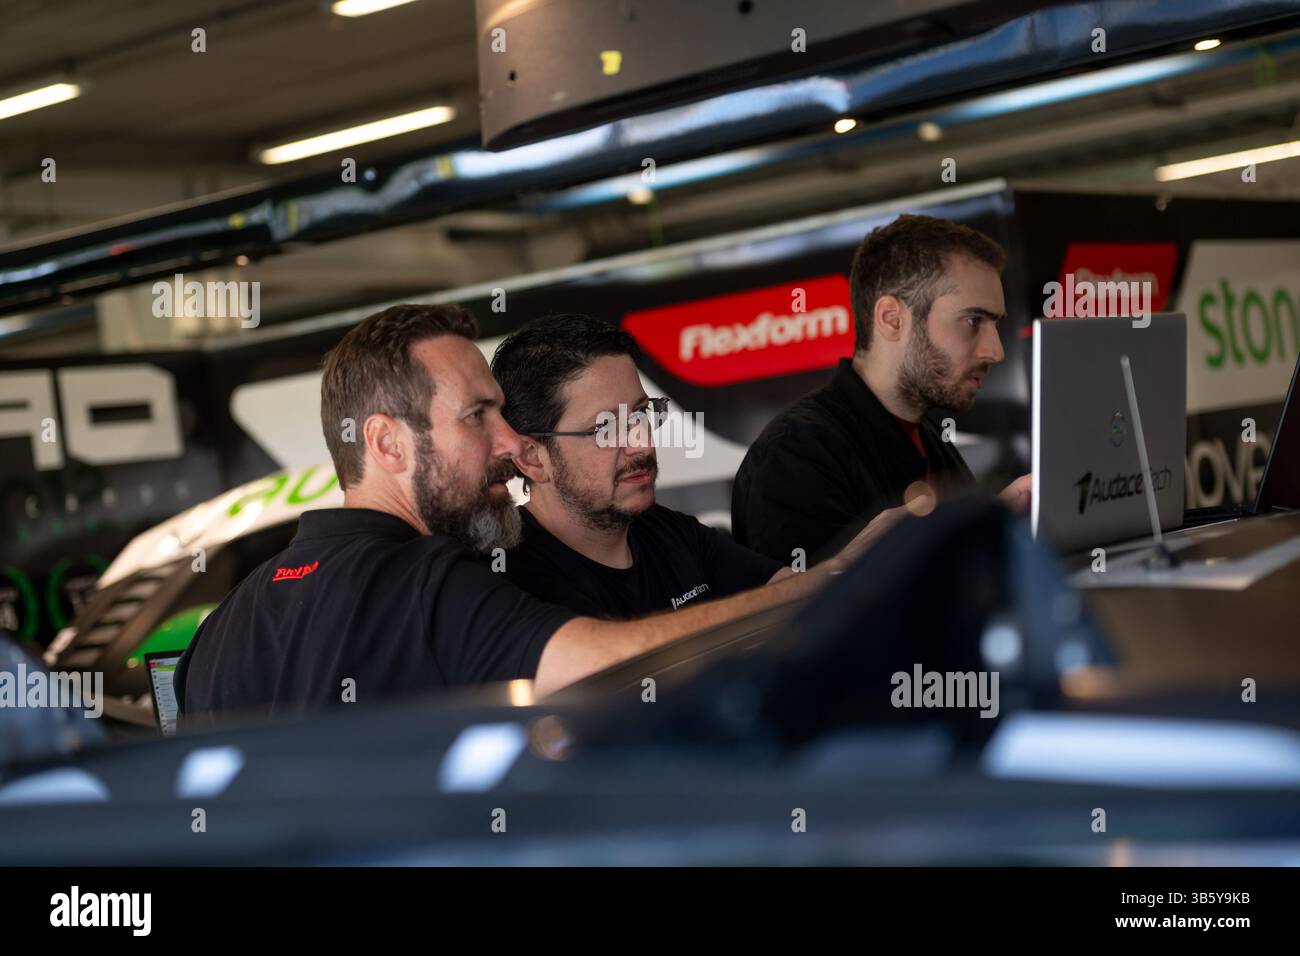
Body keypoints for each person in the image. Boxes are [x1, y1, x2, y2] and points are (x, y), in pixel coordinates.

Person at [175, 304, 895, 724]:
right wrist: (842, 581)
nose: (511, 442)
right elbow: (597, 665)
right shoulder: (426, 580)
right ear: (387, 442)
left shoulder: (224, 627)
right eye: (478, 417)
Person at [489, 315, 897, 618]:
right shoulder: (507, 581)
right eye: (605, 428)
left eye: (641, 415)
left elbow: (791, 593)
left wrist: (862, 561)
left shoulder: (672, 534)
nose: (642, 442)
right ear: (530, 458)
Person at [732, 214, 1031, 564]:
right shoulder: (793, 456)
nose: (995, 351)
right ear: (892, 318)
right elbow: (822, 611)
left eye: (995, 324)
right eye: (972, 321)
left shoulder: (927, 434)